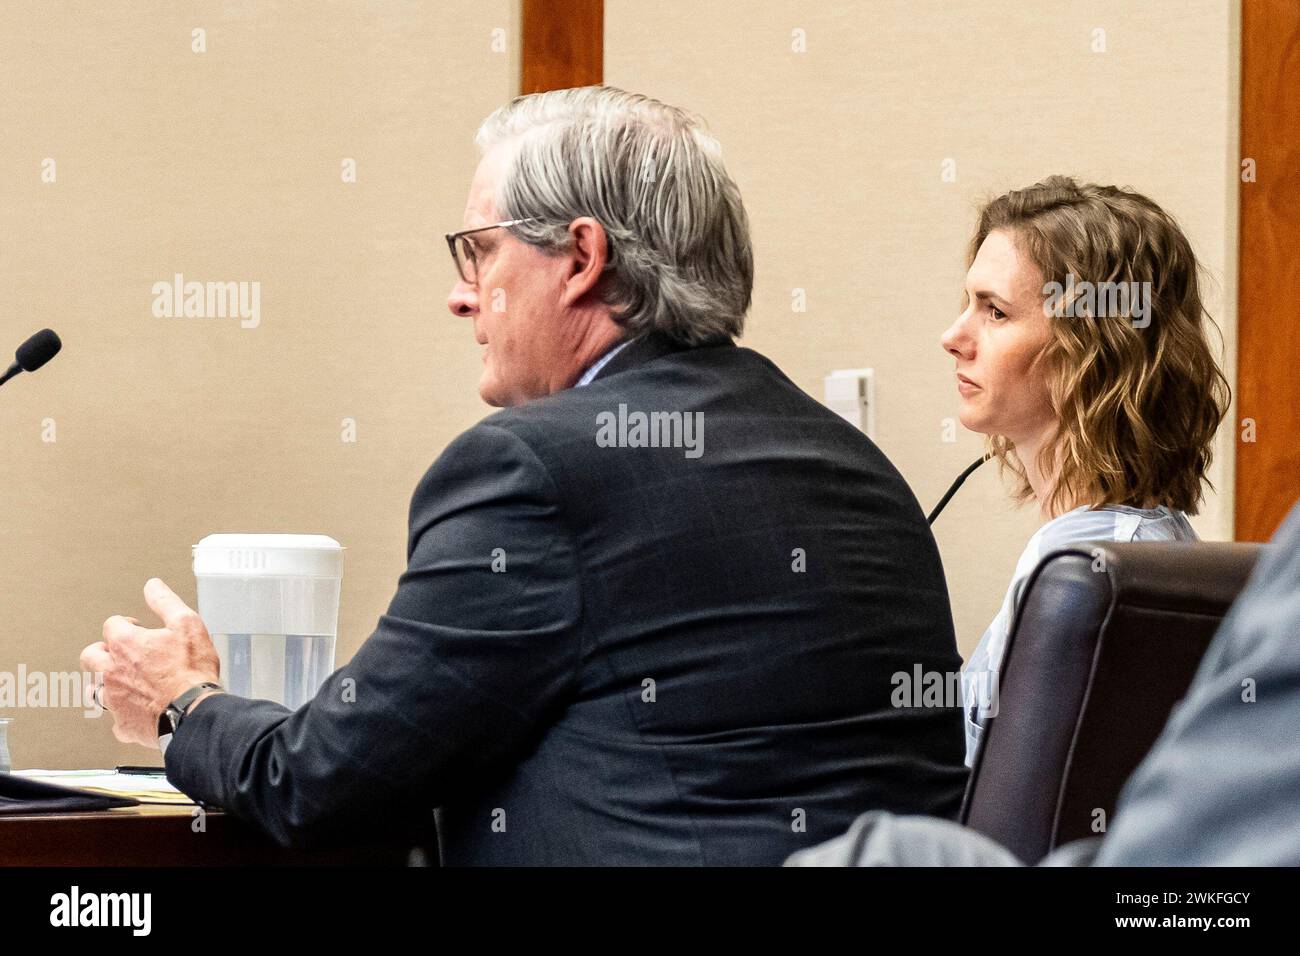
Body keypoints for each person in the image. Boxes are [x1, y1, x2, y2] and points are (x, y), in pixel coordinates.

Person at [80, 86, 968, 865]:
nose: (462, 294)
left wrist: (181, 706)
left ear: (582, 260)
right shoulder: (859, 467)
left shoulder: (533, 468)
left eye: (480, 252)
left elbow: (324, 780)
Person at [786, 500, 1300, 867]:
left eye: (995, 336)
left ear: (1087, 367)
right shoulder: (1153, 534)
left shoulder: (1083, 553)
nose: (955, 341)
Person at [938, 177, 1229, 764]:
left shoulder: (1086, 573)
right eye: (967, 303)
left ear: (1093, 352)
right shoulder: (1139, 546)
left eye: (995, 312)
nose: (954, 338)